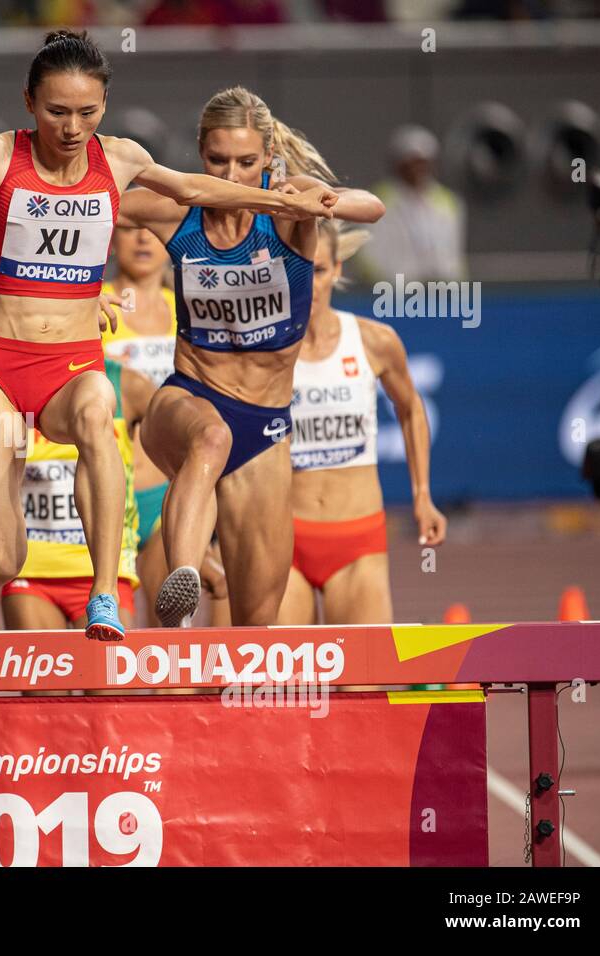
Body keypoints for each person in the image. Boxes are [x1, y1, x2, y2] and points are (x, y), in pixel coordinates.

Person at [0, 32, 334, 656]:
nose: (73, 127)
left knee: (96, 415)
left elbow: (193, 190)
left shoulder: (123, 159)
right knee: (4, 555)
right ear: (29, 101)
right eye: (57, 111)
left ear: (104, 106)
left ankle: (104, 590)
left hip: (73, 362)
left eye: (87, 112)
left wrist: (276, 199)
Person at [121, 85, 382, 627]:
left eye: (246, 161)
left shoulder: (288, 207)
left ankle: (244, 694)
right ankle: (184, 581)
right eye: (218, 161)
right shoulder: (179, 214)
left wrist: (317, 201)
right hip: (188, 396)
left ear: (267, 156)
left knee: (258, 626)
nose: (232, 174)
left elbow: (371, 207)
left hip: (263, 425)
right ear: (200, 154)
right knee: (209, 438)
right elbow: (92, 204)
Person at [278, 222, 447, 624]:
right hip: (282, 541)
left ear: (337, 269)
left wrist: (422, 495)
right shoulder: (267, 349)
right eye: (296, 268)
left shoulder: (374, 340)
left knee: (364, 683)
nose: (309, 283)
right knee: (282, 684)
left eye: (318, 271)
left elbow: (411, 409)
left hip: (357, 539)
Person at [3, 358, 152, 630]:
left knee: (111, 671)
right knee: (43, 673)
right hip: (32, 570)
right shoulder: (14, 385)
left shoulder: (128, 385)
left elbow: (171, 450)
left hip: (104, 571)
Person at [354, 124, 467, 285]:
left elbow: (454, 256)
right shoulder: (377, 198)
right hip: (390, 294)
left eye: (423, 162)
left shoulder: (449, 201)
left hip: (440, 293)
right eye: (412, 162)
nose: (418, 169)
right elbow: (368, 256)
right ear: (398, 164)